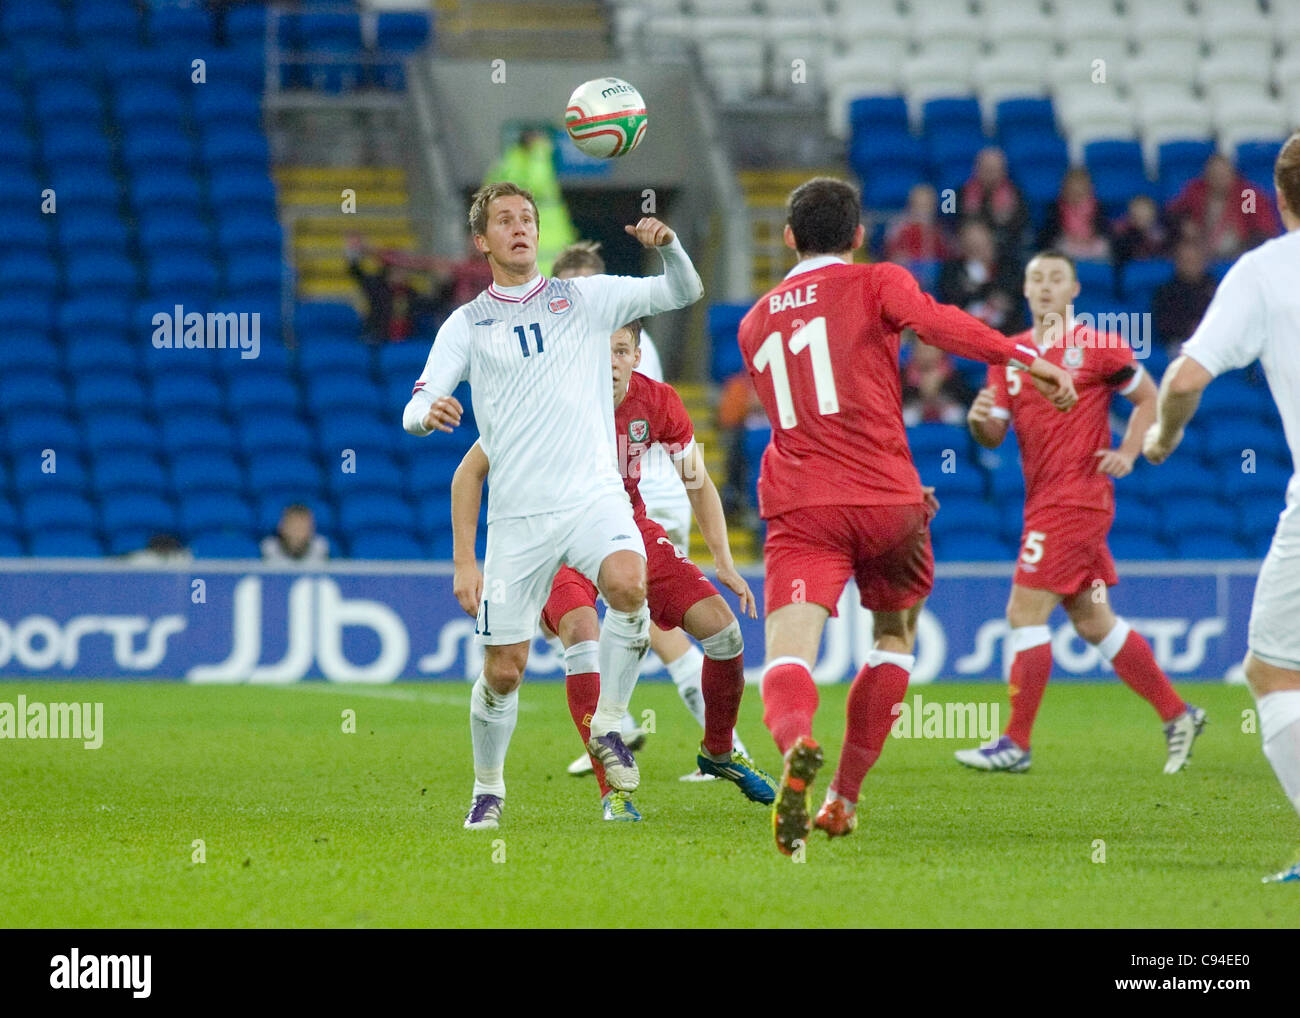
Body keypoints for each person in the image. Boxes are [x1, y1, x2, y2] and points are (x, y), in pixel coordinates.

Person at [737, 177, 1077, 856]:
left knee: (787, 657)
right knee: (893, 638)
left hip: (805, 505)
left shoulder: (753, 323)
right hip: (890, 500)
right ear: (859, 235)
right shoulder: (878, 281)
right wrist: (1023, 357)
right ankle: (844, 798)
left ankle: (797, 742)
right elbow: (939, 323)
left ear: (788, 238)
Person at [403, 181, 703, 830]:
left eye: (528, 218)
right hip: (519, 518)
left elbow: (682, 292)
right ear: (482, 242)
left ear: (539, 233)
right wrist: (428, 414)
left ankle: (611, 722)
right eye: (505, 221)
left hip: (594, 494)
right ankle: (488, 787)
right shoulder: (468, 323)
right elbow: (416, 401)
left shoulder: (585, 298)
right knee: (505, 669)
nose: (520, 228)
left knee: (629, 583)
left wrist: (670, 246)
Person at [451, 321, 772, 821]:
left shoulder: (658, 401)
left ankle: (719, 751)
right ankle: (598, 790)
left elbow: (697, 480)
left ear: (637, 356)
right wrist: (466, 562)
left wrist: (724, 559)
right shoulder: (547, 401)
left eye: (622, 350)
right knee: (555, 643)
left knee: (724, 633)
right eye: (602, 352)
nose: (612, 362)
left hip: (626, 525)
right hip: (551, 533)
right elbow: (470, 470)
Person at [954, 250, 1205, 775]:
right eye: (1036, 279)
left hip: (1077, 499)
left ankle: (1015, 744)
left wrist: (1131, 451)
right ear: (1025, 291)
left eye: (1056, 279)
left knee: (1023, 615)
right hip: (1044, 499)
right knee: (1093, 621)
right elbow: (993, 434)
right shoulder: (1011, 355)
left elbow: (1149, 397)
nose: (1045, 287)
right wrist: (978, 421)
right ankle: (1179, 714)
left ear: (1073, 291)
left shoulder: (1098, 347)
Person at [1143, 131, 1300, 884]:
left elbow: (1182, 379)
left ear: (1277, 197)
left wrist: (1165, 438)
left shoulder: (1265, 271)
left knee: (1272, 673)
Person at [550, 240, 755, 782]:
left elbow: (681, 461)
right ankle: (619, 721)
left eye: (582, 283)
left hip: (649, 494)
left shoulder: (623, 349)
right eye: (564, 287)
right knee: (613, 618)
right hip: (595, 502)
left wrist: (723, 557)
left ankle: (706, 741)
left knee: (644, 615)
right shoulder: (567, 361)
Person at [1165, 153, 1280, 261]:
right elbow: (1173, 213)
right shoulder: (1196, 192)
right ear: (1206, 176)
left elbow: (1260, 226)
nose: (1219, 179)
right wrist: (1185, 224)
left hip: (1239, 251)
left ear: (1233, 174)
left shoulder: (1246, 195)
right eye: (1214, 175)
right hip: (1201, 250)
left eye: (1223, 175)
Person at [345, 236, 444, 343]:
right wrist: (355, 251)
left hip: (406, 341)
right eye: (398, 270)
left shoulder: (410, 292)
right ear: (389, 270)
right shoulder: (377, 287)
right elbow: (356, 272)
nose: (402, 273)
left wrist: (443, 285)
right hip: (378, 339)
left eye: (404, 270)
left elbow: (434, 304)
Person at [938, 218, 1025, 334]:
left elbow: (1013, 294)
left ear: (990, 238)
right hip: (967, 333)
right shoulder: (953, 269)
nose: (977, 245)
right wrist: (986, 293)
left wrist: (977, 289)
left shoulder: (1009, 265)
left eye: (980, 239)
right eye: (971, 241)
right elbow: (952, 297)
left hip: (1007, 333)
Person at [960, 147, 1029, 261]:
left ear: (1003, 171)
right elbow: (950, 222)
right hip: (968, 249)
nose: (990, 174)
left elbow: (1022, 224)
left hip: (1004, 252)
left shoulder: (1016, 194)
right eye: (986, 168)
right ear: (976, 169)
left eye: (994, 169)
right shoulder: (954, 193)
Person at [1151, 238, 1218, 353]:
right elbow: (1163, 325)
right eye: (1187, 261)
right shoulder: (1166, 291)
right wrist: (1188, 329)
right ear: (1178, 263)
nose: (1191, 265)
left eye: (1195, 261)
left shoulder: (1214, 287)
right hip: (1181, 342)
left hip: (1214, 337)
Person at [1035, 166, 1110, 260]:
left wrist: (1088, 240)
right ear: (1064, 188)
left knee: (1103, 247)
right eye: (1072, 187)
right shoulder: (1054, 209)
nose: (1076, 191)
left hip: (1092, 247)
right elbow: (1047, 236)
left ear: (1090, 188)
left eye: (1081, 187)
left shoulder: (1099, 208)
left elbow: (1105, 232)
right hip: (1066, 248)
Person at [901, 334, 976, 427]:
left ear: (941, 351)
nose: (925, 354)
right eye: (920, 349)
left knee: (956, 415)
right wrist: (921, 390)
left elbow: (965, 400)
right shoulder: (903, 374)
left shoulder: (954, 374)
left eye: (929, 349)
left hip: (947, 418)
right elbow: (899, 400)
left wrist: (940, 385)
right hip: (913, 416)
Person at [884, 183, 953, 264]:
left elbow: (948, 258)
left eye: (926, 205)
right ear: (910, 205)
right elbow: (892, 257)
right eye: (918, 205)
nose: (922, 211)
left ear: (934, 206)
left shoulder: (941, 232)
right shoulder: (898, 230)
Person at [1111, 194, 1169, 267]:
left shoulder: (1163, 235)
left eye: (1145, 214)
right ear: (1130, 216)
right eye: (1137, 215)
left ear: (1154, 214)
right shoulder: (1122, 235)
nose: (1141, 218)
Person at [260, 504, 329, 564]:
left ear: (312, 528)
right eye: (293, 525)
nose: (297, 531)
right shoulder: (269, 548)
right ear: (281, 526)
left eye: (302, 526)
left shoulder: (320, 548)